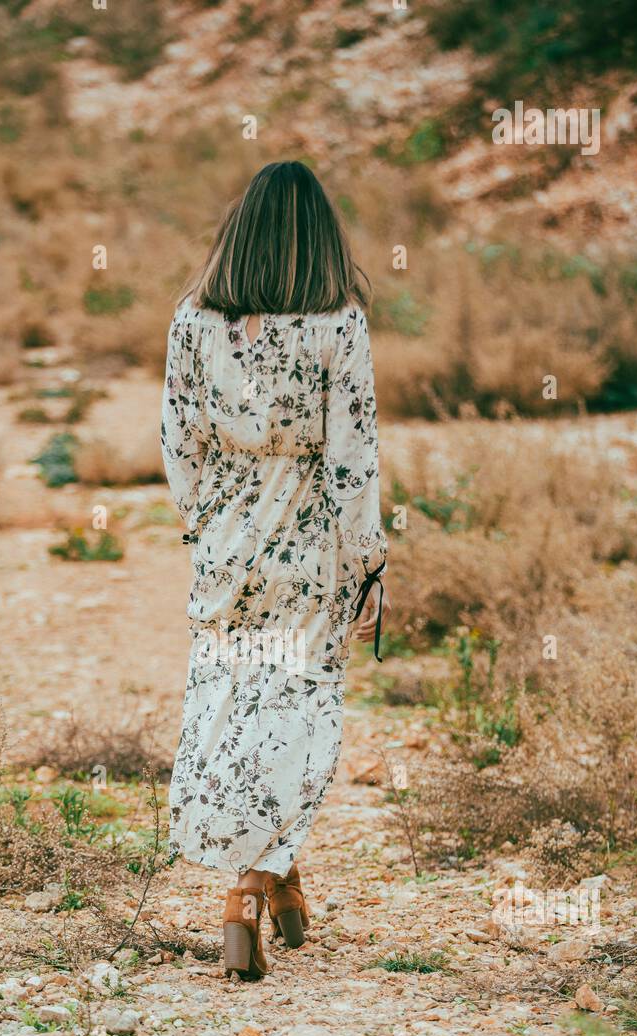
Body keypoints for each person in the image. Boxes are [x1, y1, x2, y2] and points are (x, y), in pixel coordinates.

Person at [161, 160, 389, 981]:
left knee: (230, 708)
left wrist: (206, 528)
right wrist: (369, 563)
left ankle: (278, 888)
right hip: (312, 547)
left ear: (240, 233)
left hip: (226, 544)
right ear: (318, 240)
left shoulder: (192, 322)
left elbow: (178, 448)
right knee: (295, 714)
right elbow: (353, 464)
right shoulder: (339, 327)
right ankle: (249, 895)